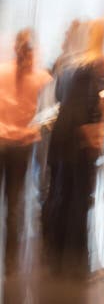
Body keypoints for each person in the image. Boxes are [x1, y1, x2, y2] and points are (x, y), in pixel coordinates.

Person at [42, 20, 104, 276]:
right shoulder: (96, 64)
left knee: (61, 194)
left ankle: (56, 255)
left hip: (61, 135)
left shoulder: (68, 64)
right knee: (79, 199)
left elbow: (60, 97)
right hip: (79, 139)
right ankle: (76, 262)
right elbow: (91, 106)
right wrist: (93, 139)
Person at [0, 29, 52, 272]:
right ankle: (10, 260)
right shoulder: (41, 78)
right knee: (14, 203)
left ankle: (10, 259)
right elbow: (50, 110)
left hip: (1, 141)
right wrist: (32, 130)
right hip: (21, 146)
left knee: (12, 203)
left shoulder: (2, 71)